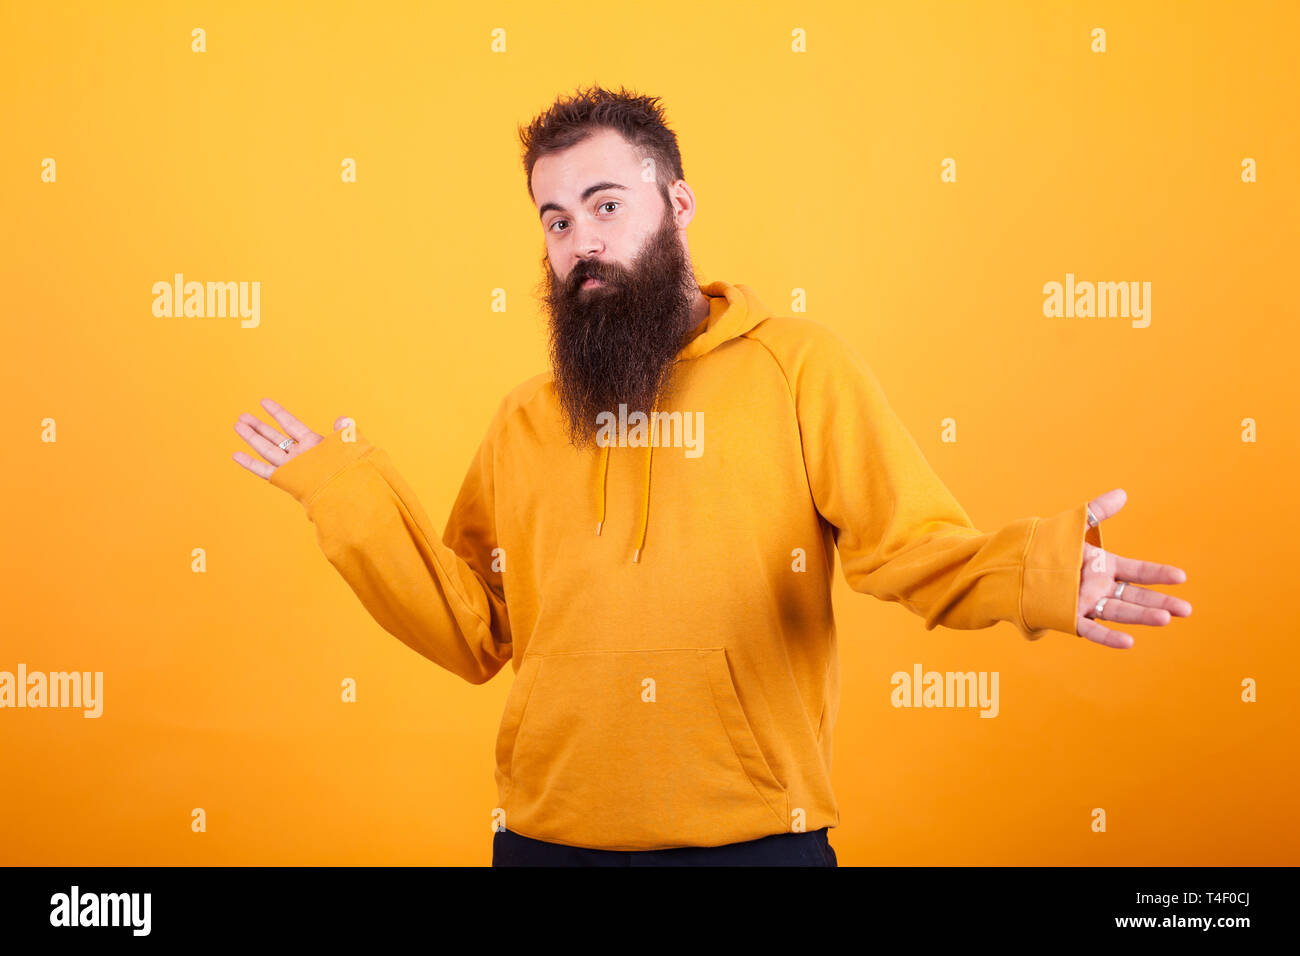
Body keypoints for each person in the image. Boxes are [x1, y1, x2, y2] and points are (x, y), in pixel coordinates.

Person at [231, 85, 1192, 866]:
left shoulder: (799, 367)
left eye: (607, 205)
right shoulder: (526, 417)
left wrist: (1040, 571)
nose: (582, 243)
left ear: (678, 205)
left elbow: (911, 550)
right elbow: (473, 630)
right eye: (557, 221)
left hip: (753, 846)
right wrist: (345, 494)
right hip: (544, 846)